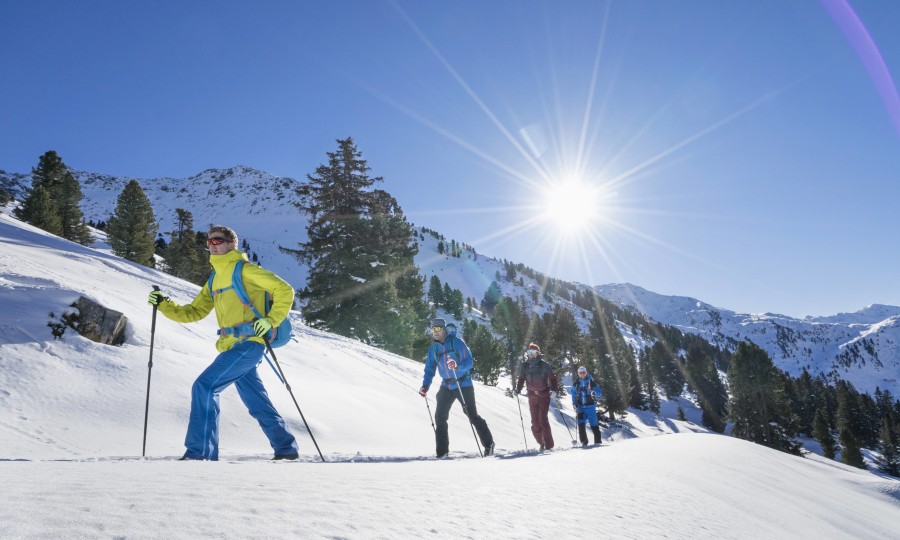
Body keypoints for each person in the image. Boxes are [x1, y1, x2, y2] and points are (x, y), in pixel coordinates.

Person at [147, 225, 299, 461]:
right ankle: (286, 449)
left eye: (217, 241)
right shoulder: (215, 279)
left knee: (204, 386)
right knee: (256, 401)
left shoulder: (245, 270)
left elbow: (284, 290)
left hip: (249, 344)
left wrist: (271, 320)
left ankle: (201, 454)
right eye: (209, 242)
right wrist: (164, 304)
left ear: (231, 244)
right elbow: (194, 312)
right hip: (232, 346)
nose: (212, 245)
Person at [419, 318, 495, 457]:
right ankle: (442, 452)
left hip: (463, 383)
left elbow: (469, 361)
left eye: (438, 329)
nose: (435, 332)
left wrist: (458, 366)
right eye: (433, 329)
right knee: (440, 417)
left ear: (444, 329)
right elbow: (429, 369)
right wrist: (425, 386)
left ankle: (489, 444)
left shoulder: (457, 343)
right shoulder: (433, 349)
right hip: (446, 385)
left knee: (472, 415)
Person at [514, 343, 558, 451]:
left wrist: (554, 390)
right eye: (529, 352)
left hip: (544, 395)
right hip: (532, 396)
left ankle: (549, 446)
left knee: (542, 419)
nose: (531, 354)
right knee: (535, 422)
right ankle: (541, 442)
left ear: (538, 353)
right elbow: (521, 379)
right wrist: (518, 389)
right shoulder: (525, 366)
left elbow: (552, 378)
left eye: (533, 352)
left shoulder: (544, 365)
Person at [571, 366, 603, 446]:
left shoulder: (591, 382)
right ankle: (584, 443)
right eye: (580, 373)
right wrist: (574, 404)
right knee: (581, 424)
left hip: (590, 406)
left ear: (586, 373)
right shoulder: (576, 384)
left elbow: (599, 392)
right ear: (578, 374)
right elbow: (574, 394)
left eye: (584, 373)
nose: (582, 375)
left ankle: (598, 442)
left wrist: (594, 393)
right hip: (580, 407)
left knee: (594, 424)